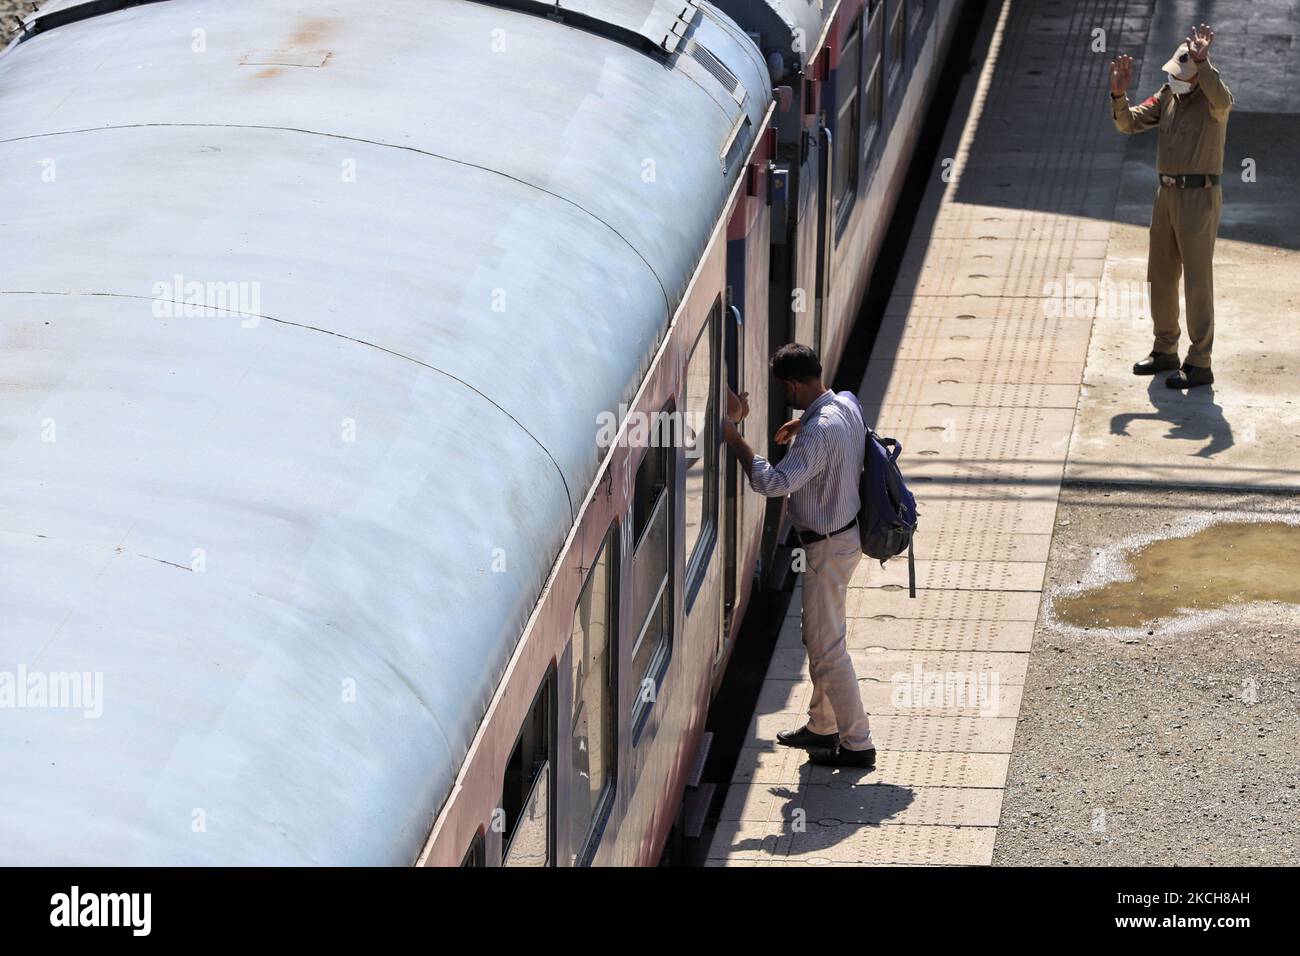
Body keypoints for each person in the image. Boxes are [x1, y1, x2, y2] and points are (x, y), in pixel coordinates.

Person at [722, 344, 876, 768]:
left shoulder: (819, 431)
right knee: (822, 637)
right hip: (842, 539)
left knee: (828, 648)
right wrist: (802, 424)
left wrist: (737, 442)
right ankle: (822, 727)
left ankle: (858, 742)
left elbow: (773, 483)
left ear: (791, 384)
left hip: (826, 547)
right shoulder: (845, 403)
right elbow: (833, 437)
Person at [1110, 23, 1232, 389]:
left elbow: (1224, 100)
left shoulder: (1213, 103)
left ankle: (1200, 362)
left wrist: (1203, 62)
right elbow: (1129, 123)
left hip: (1199, 198)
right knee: (1160, 276)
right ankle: (1165, 349)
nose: (1175, 79)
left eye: (1183, 74)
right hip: (1165, 196)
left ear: (1197, 77)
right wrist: (1118, 95)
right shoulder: (1168, 96)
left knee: (1197, 280)